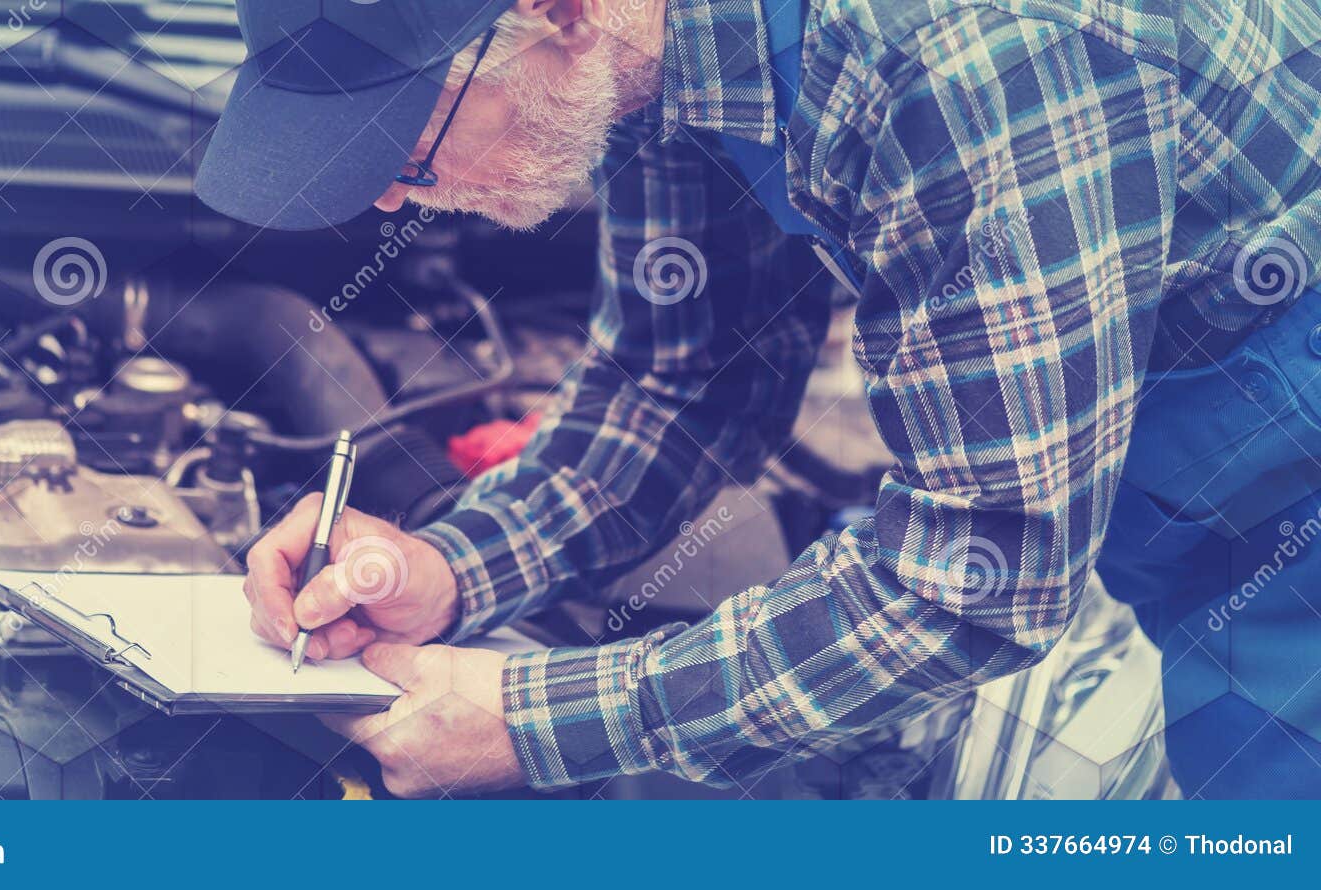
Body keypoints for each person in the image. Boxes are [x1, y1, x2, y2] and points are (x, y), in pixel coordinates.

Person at [195, 0, 1321, 797]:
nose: (393, 195)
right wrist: (451, 571)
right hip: (1159, 482)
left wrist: (537, 720)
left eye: (410, 143)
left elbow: (972, 580)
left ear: (559, 12)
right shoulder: (647, 55)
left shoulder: (969, 46)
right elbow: (680, 379)